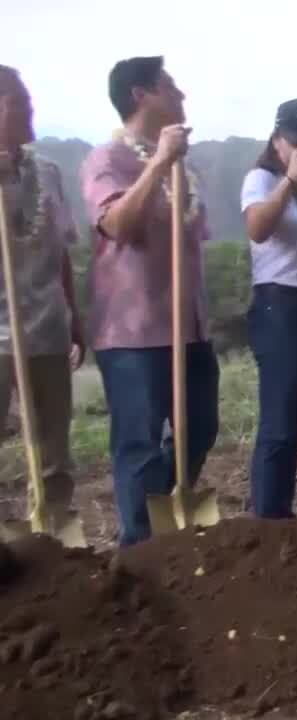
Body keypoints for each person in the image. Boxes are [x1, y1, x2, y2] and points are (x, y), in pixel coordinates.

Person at [80, 56, 219, 546]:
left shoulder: (189, 168)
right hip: (134, 331)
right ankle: (138, 550)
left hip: (190, 326)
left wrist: (172, 164)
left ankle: (161, 513)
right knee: (138, 443)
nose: (181, 94)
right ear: (140, 95)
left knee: (199, 429)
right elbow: (117, 225)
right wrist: (158, 162)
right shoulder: (106, 160)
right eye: (170, 86)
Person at [240, 98, 297, 518]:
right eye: (296, 141)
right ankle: (268, 518)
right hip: (279, 307)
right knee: (278, 424)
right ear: (277, 139)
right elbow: (258, 229)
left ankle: (280, 511)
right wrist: (289, 181)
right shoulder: (260, 179)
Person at [0, 66, 84, 511]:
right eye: (18, 102)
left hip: (48, 330)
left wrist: (74, 319)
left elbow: (62, 252)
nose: (31, 110)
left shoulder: (48, 173)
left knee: (53, 456)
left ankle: (50, 545)